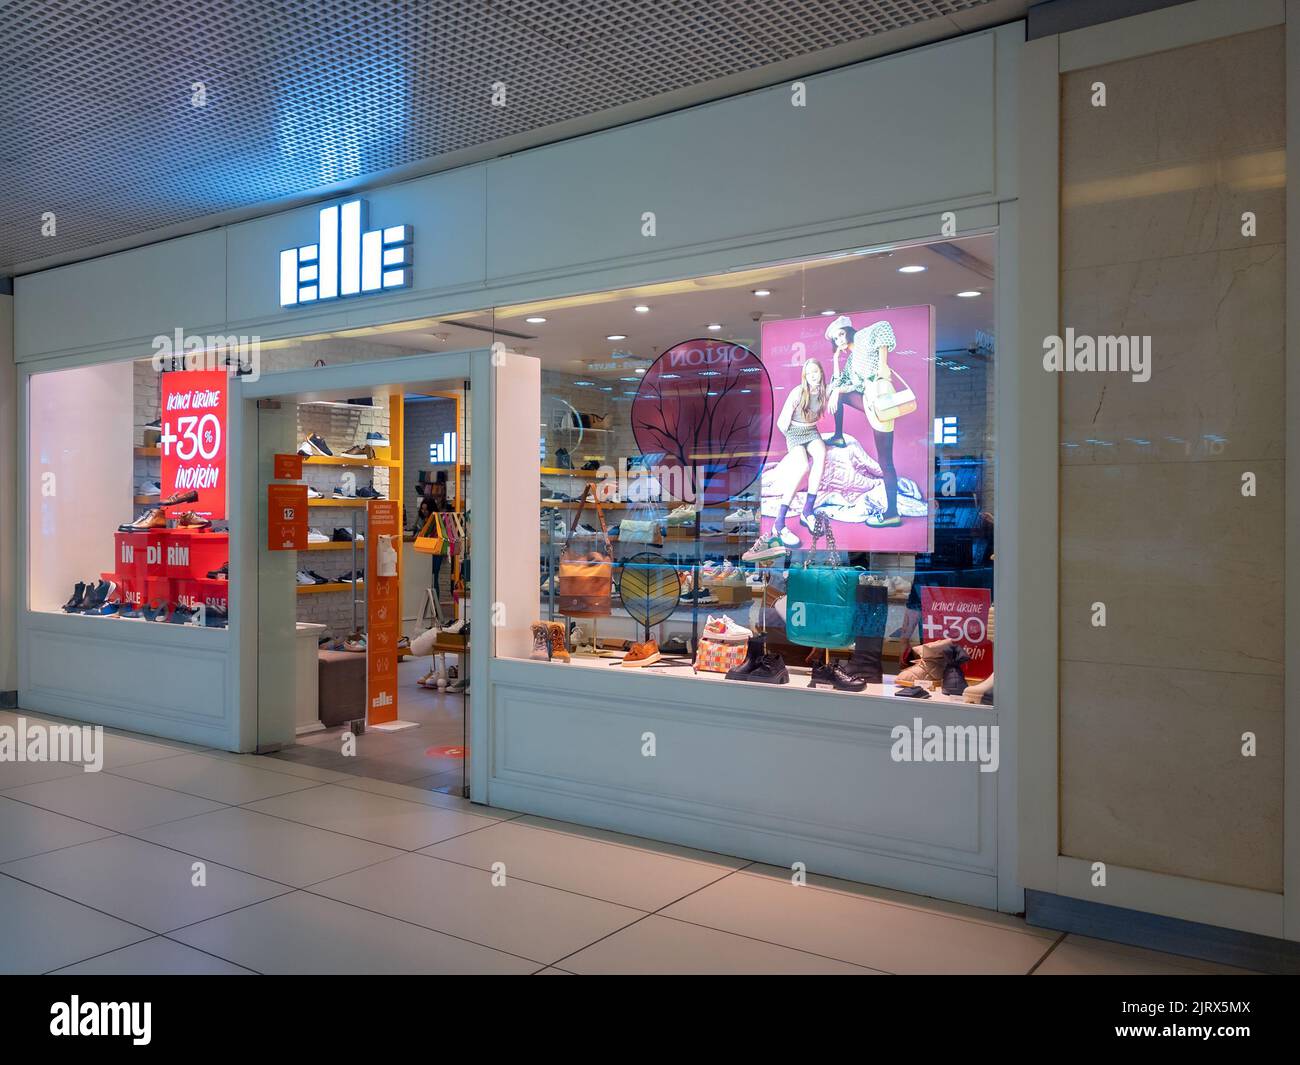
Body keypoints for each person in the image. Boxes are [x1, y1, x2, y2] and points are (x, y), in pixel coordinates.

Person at [824, 315, 903, 528]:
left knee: (885, 461)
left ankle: (892, 513)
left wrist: (883, 365)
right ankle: (838, 436)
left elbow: (885, 326)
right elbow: (843, 383)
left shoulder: (864, 335)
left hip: (881, 398)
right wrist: (834, 361)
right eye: (835, 338)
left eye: (841, 334)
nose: (839, 340)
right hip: (868, 399)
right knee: (836, 392)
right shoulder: (850, 359)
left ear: (848, 330)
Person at [770, 358, 829, 546]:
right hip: (794, 433)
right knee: (803, 467)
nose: (813, 376)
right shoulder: (798, 392)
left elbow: (841, 386)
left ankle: (808, 511)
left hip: (811, 431)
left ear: (821, 373)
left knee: (821, 455)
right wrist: (792, 442)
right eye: (809, 373)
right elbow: (781, 423)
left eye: (816, 372)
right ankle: (779, 523)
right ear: (805, 376)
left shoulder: (823, 392)